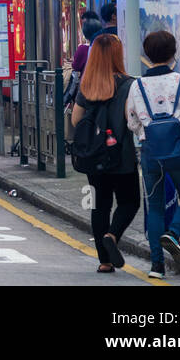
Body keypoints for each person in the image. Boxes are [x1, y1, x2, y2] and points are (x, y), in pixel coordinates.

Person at [125, 29, 180, 279]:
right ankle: (174, 232)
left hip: (150, 153)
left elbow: (131, 120)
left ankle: (156, 266)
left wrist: (145, 133)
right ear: (173, 54)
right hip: (178, 151)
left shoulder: (137, 85)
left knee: (155, 206)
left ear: (147, 54)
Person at [71, 34, 139, 274]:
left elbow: (75, 119)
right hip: (121, 155)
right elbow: (135, 120)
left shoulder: (87, 86)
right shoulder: (130, 85)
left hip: (94, 158)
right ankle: (113, 234)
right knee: (129, 202)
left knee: (99, 205)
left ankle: (104, 261)